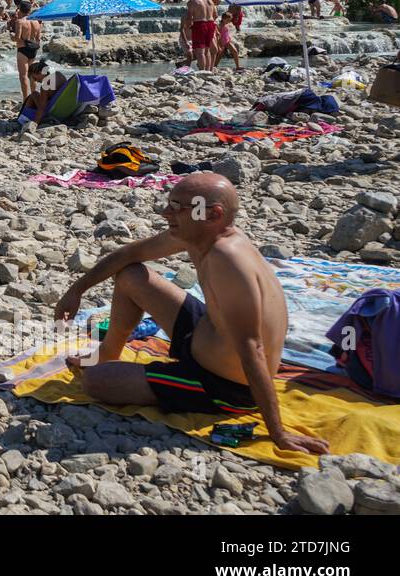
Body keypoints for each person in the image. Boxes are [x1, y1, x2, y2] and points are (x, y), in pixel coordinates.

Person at [53, 173, 329, 457]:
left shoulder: (228, 259)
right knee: (132, 276)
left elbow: (252, 346)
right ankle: (108, 351)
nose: (166, 212)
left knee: (95, 382)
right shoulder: (198, 234)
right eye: (169, 203)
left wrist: (278, 432)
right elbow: (131, 253)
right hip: (205, 333)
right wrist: (76, 290)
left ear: (213, 214)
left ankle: (120, 369)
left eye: (178, 207)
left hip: (225, 386)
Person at [184, 0, 218, 71]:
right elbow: (215, 15)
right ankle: (208, 70)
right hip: (210, 24)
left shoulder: (192, 1)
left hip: (199, 24)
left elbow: (189, 17)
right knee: (207, 50)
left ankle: (202, 72)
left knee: (200, 52)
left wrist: (188, 28)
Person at [13, 0, 43, 99]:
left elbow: (17, 38)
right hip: (33, 49)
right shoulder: (37, 22)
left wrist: (11, 36)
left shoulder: (20, 21)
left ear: (20, 9)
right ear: (30, 10)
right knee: (31, 74)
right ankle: (34, 95)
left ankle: (26, 99)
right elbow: (38, 38)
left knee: (23, 76)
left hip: (23, 49)